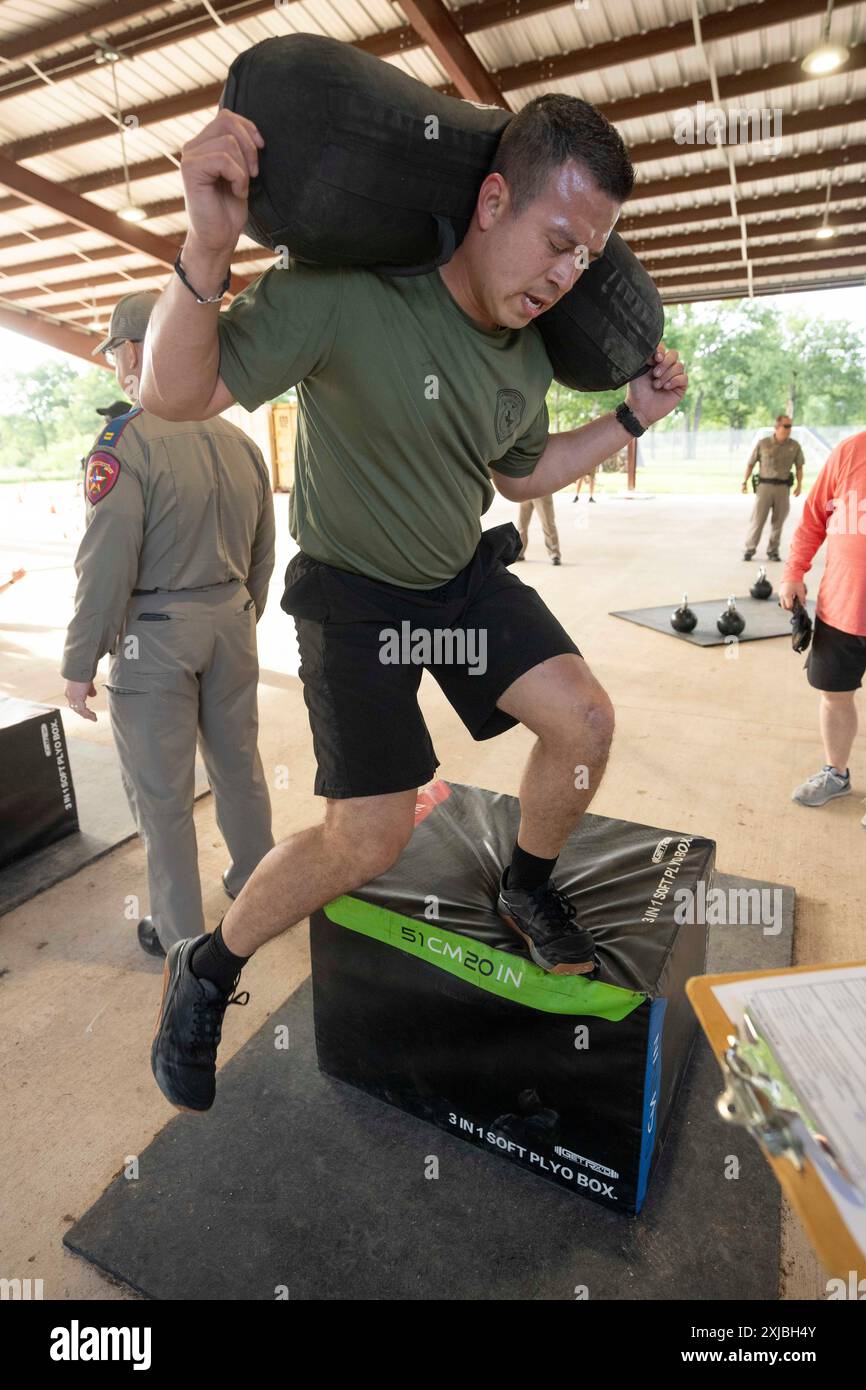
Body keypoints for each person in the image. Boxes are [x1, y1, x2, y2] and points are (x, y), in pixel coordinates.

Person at [141, 93, 687, 1111]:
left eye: (587, 257)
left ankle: (523, 882)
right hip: (352, 595)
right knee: (369, 837)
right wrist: (204, 245)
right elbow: (171, 397)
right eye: (557, 241)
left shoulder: (526, 359)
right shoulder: (342, 296)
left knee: (584, 721)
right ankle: (207, 964)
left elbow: (521, 476)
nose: (567, 273)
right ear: (491, 200)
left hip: (460, 575)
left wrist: (627, 417)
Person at [61, 290, 276, 957]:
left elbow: (107, 563)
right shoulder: (238, 439)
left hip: (154, 633)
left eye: (114, 353)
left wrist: (78, 664)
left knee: (163, 795)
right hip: (233, 621)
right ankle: (258, 892)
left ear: (131, 352)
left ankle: (182, 935)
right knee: (239, 767)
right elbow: (265, 551)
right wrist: (238, 614)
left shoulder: (125, 441)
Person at [780, 430, 866, 824]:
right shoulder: (850, 452)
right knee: (834, 695)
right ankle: (836, 773)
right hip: (841, 608)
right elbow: (815, 517)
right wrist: (794, 571)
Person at [742, 414, 804, 561]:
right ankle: (750, 549)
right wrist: (744, 481)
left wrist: (799, 484)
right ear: (777, 427)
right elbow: (751, 464)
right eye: (786, 426)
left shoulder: (794, 446)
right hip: (765, 487)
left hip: (783, 488)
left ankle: (773, 551)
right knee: (758, 519)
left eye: (790, 426)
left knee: (779, 521)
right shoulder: (763, 443)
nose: (789, 429)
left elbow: (799, 467)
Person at [515, 493, 561, 564]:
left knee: (548, 523)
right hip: (524, 491)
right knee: (521, 526)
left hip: (541, 492)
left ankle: (555, 554)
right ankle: (519, 553)